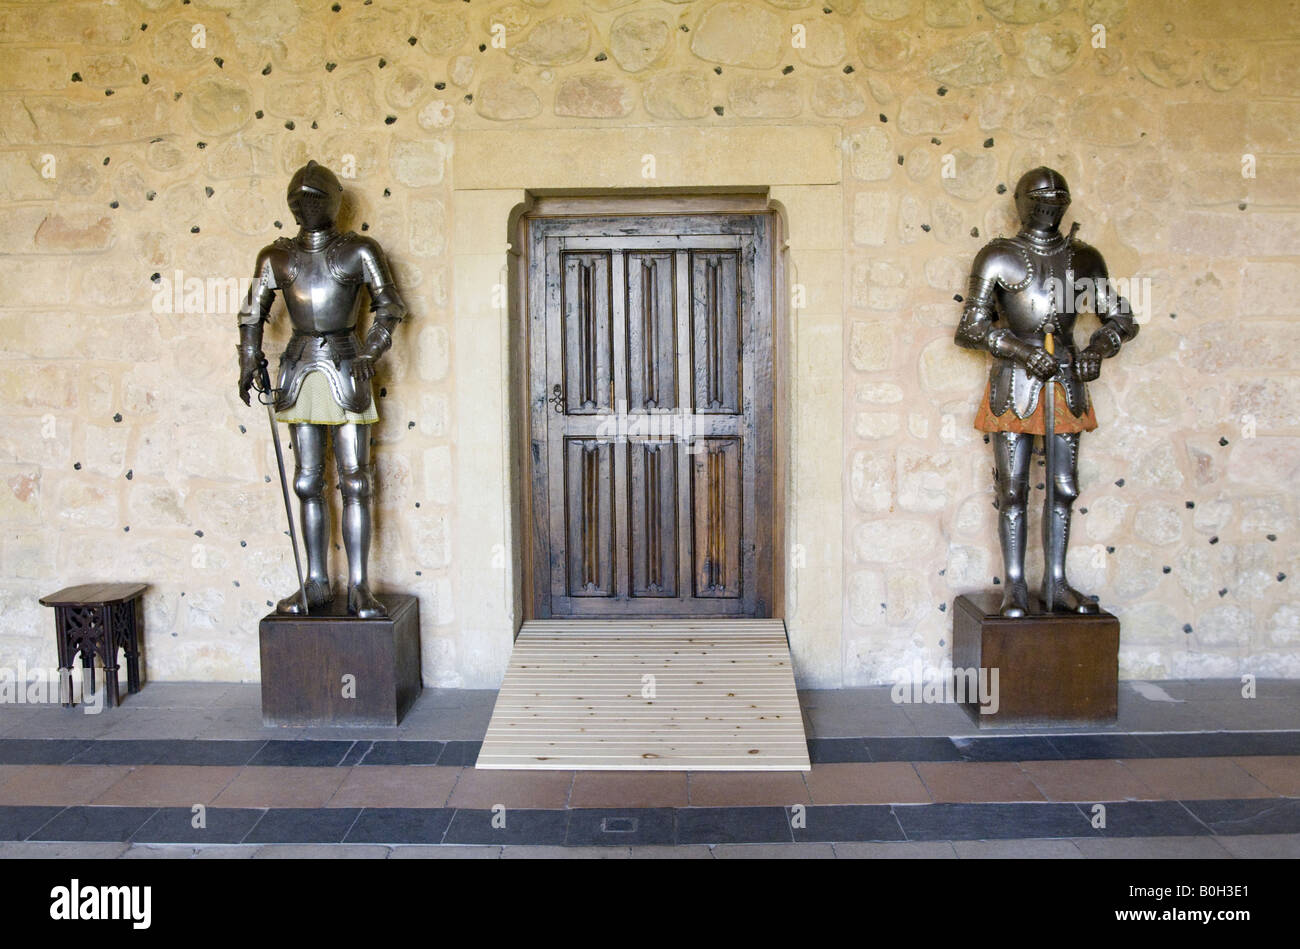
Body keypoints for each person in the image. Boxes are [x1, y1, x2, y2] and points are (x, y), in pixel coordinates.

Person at [955, 167, 1138, 616]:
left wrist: (1097, 347)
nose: (1049, 207)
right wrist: (1018, 350)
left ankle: (1055, 582)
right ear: (1021, 202)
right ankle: (1015, 586)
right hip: (1014, 382)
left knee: (1063, 487)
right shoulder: (997, 256)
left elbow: (1122, 318)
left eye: (1057, 199)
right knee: (1013, 489)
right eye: (1040, 199)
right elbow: (970, 328)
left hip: (1067, 377)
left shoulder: (1084, 258)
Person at [236, 161, 406, 618]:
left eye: (315, 198)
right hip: (297, 365)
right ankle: (315, 582)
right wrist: (249, 356)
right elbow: (253, 313)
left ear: (332, 202)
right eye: (301, 199)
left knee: (356, 481)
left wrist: (369, 354)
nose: (307, 206)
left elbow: (390, 306)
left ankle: (358, 585)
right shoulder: (275, 257)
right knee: (308, 482)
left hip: (347, 362)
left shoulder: (359, 250)